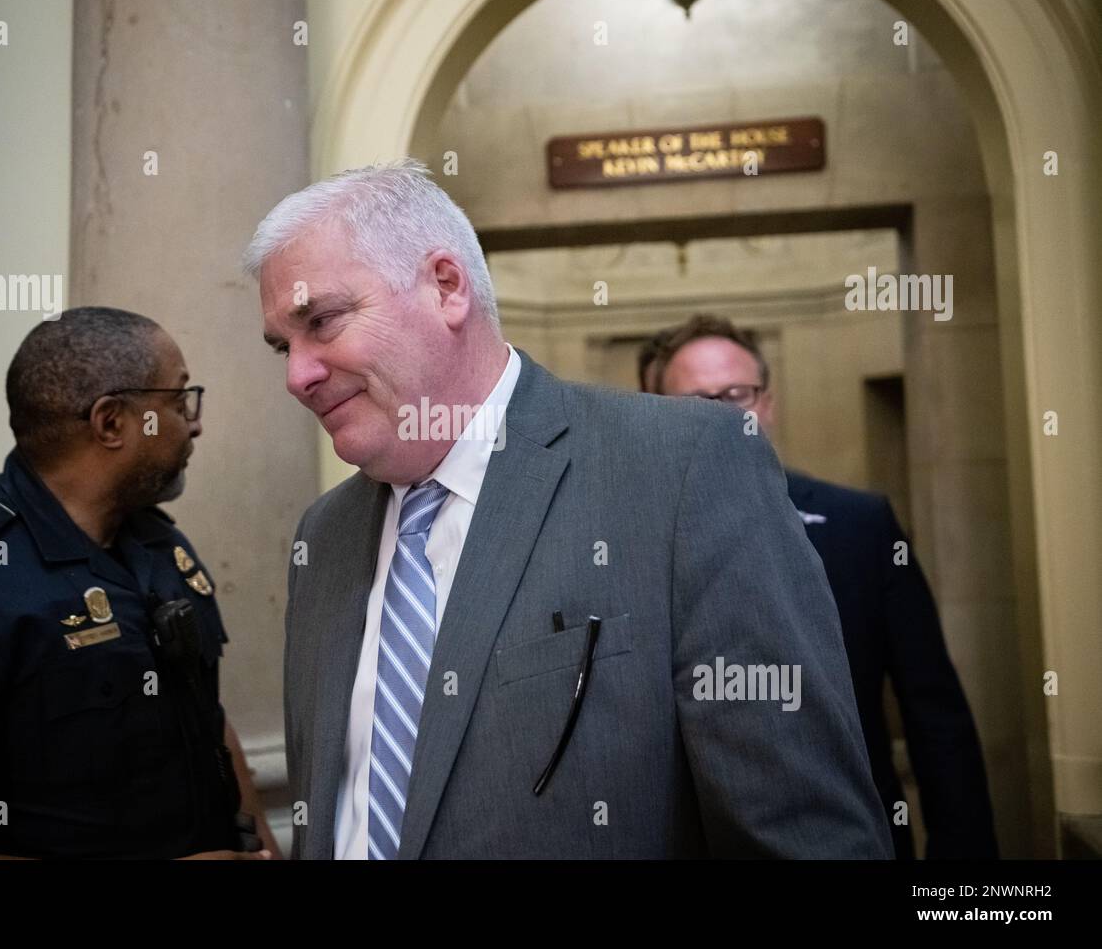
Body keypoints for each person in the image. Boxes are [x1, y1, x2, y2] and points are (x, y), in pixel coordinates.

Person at [245, 159, 891, 859]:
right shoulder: (325, 536)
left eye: (323, 321)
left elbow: (806, 835)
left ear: (446, 286)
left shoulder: (681, 470)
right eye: (284, 344)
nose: (297, 375)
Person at [0, 306, 276, 859]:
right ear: (111, 423)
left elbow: (208, 723)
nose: (195, 420)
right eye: (179, 400)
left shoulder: (159, 548)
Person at [649, 313, 998, 859]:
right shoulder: (633, 536)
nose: (720, 418)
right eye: (697, 403)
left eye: (735, 395)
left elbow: (934, 714)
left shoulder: (861, 524)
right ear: (656, 418)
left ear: (766, 403)